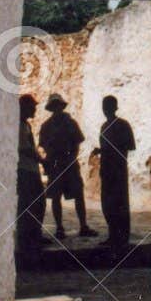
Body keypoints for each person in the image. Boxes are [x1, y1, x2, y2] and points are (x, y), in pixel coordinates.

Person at [38, 94, 96, 238]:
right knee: (56, 197)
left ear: (61, 106)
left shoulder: (71, 123)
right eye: (54, 105)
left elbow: (77, 142)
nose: (57, 108)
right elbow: (44, 145)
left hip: (70, 163)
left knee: (78, 195)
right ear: (51, 108)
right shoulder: (46, 126)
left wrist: (72, 157)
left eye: (58, 105)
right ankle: (59, 228)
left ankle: (83, 226)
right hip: (56, 165)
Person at [94, 95, 136, 250]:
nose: (105, 110)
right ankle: (113, 235)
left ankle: (121, 237)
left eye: (107, 106)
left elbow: (129, 146)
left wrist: (107, 149)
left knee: (119, 203)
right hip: (107, 168)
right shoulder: (105, 126)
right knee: (109, 204)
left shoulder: (122, 125)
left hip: (117, 169)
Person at [15, 95, 46, 265]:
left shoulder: (25, 125)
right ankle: (29, 238)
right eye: (32, 107)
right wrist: (41, 160)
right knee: (32, 204)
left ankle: (33, 235)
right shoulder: (20, 126)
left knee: (35, 203)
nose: (34, 110)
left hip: (30, 169)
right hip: (26, 170)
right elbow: (25, 149)